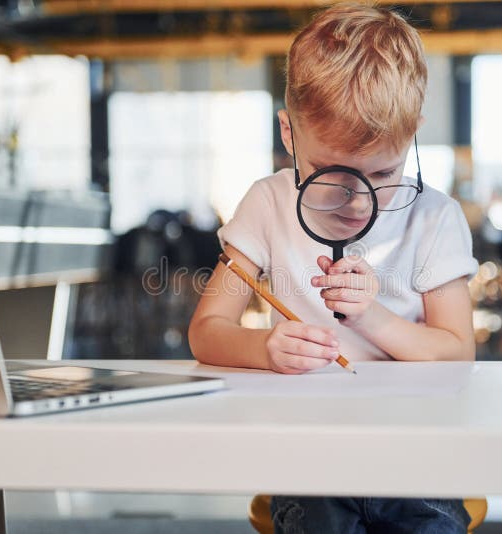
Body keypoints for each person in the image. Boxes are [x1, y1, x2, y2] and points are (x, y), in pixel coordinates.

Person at [189, 3, 478, 532]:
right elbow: (207, 333)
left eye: (384, 172)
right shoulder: (266, 204)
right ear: (289, 134)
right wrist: (262, 348)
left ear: (413, 133)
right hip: (308, 455)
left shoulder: (435, 217)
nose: (357, 201)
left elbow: (457, 350)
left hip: (415, 455)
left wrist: (374, 319)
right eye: (328, 171)